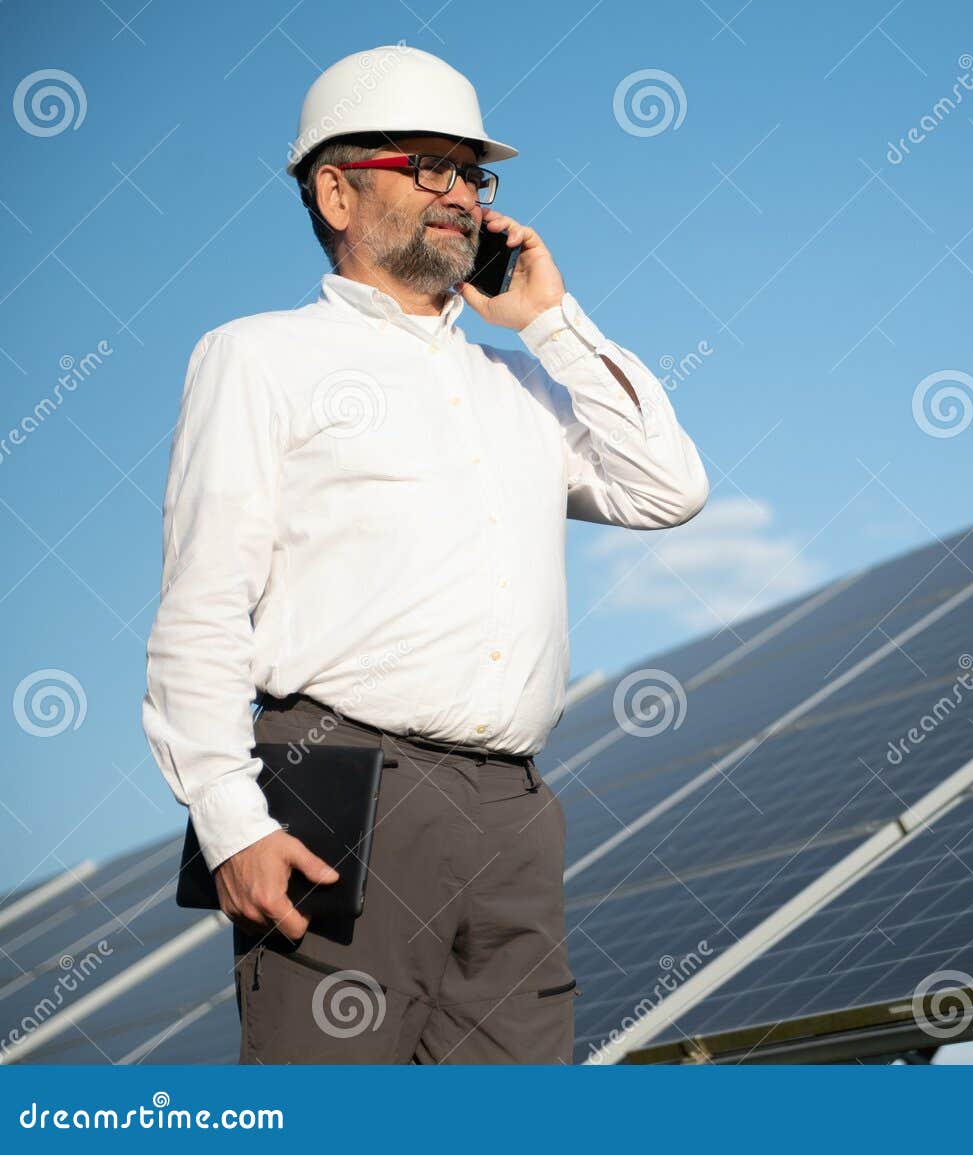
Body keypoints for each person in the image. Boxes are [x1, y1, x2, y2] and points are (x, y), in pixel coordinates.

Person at [141, 45, 709, 1064]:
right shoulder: (257, 357)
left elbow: (669, 489)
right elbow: (201, 608)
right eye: (430, 167)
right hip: (335, 781)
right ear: (336, 190)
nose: (461, 196)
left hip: (516, 808)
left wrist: (550, 321)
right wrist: (230, 821)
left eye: (474, 174)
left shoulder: (523, 385)